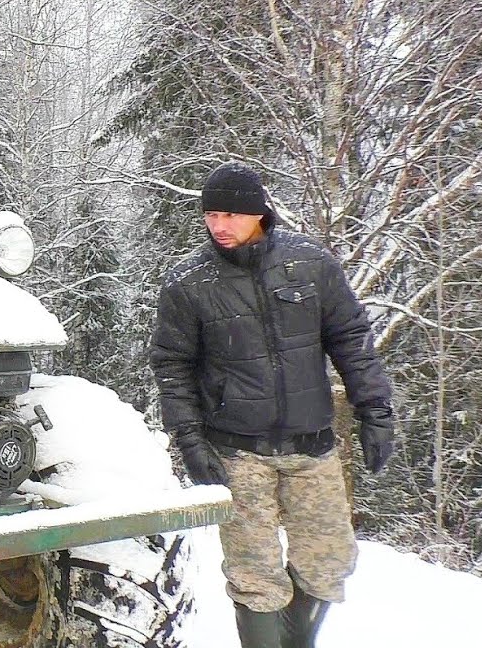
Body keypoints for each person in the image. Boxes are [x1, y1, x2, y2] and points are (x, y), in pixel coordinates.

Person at [149, 162, 395, 648]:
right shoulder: (188, 282)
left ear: (259, 213)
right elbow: (172, 366)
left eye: (230, 214)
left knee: (329, 563)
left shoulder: (311, 263)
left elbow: (350, 339)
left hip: (313, 448)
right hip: (238, 454)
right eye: (210, 214)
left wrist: (375, 412)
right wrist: (190, 441)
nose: (218, 225)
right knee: (255, 576)